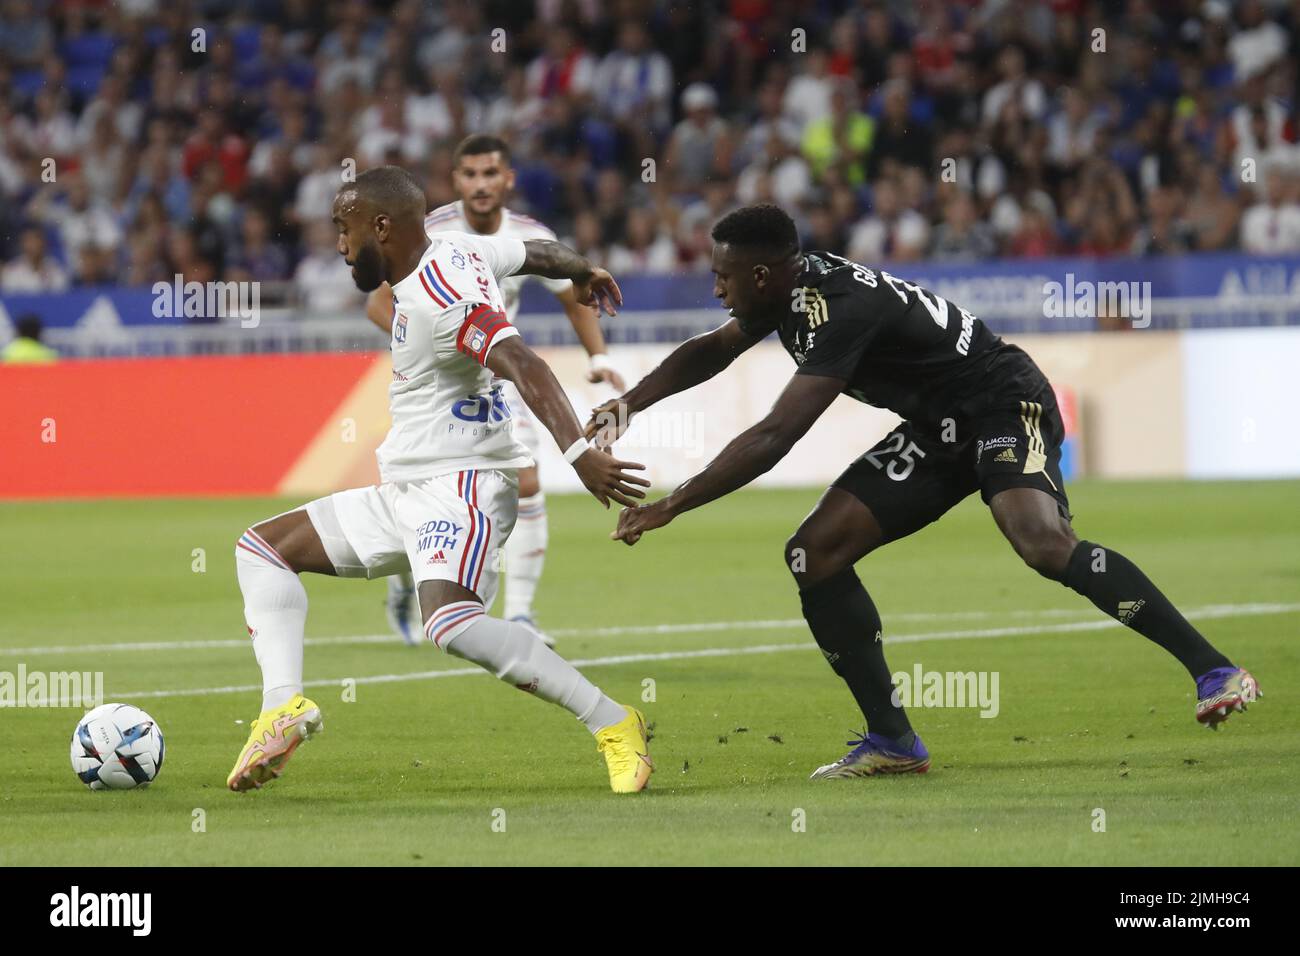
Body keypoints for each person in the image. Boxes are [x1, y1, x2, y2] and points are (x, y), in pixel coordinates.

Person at [589, 203, 1259, 780]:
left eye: (722, 276)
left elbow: (776, 436)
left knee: (1042, 542)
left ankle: (1214, 670)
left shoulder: (839, 308)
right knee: (814, 553)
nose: (716, 289)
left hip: (1001, 402)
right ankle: (893, 741)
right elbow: (714, 348)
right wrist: (630, 403)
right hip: (940, 430)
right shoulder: (787, 291)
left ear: (760, 275)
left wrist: (671, 504)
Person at [226, 166, 653, 795]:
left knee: (450, 623)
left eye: (344, 231)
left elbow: (521, 360)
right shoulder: (459, 247)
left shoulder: (441, 296)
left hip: (464, 486)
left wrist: (578, 451)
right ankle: (281, 709)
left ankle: (614, 722)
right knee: (261, 550)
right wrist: (582, 268)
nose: (340, 246)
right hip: (405, 487)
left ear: (380, 226)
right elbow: (535, 253)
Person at [366, 135, 625, 647]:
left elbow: (573, 292)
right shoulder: (431, 229)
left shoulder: (528, 234)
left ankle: (523, 616)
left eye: (490, 174)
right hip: (434, 383)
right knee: (418, 497)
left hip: (496, 376)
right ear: (455, 180)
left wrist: (598, 357)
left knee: (526, 483)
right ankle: (402, 583)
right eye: (469, 174)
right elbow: (378, 304)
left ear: (508, 179)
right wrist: (431, 339)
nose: (480, 185)